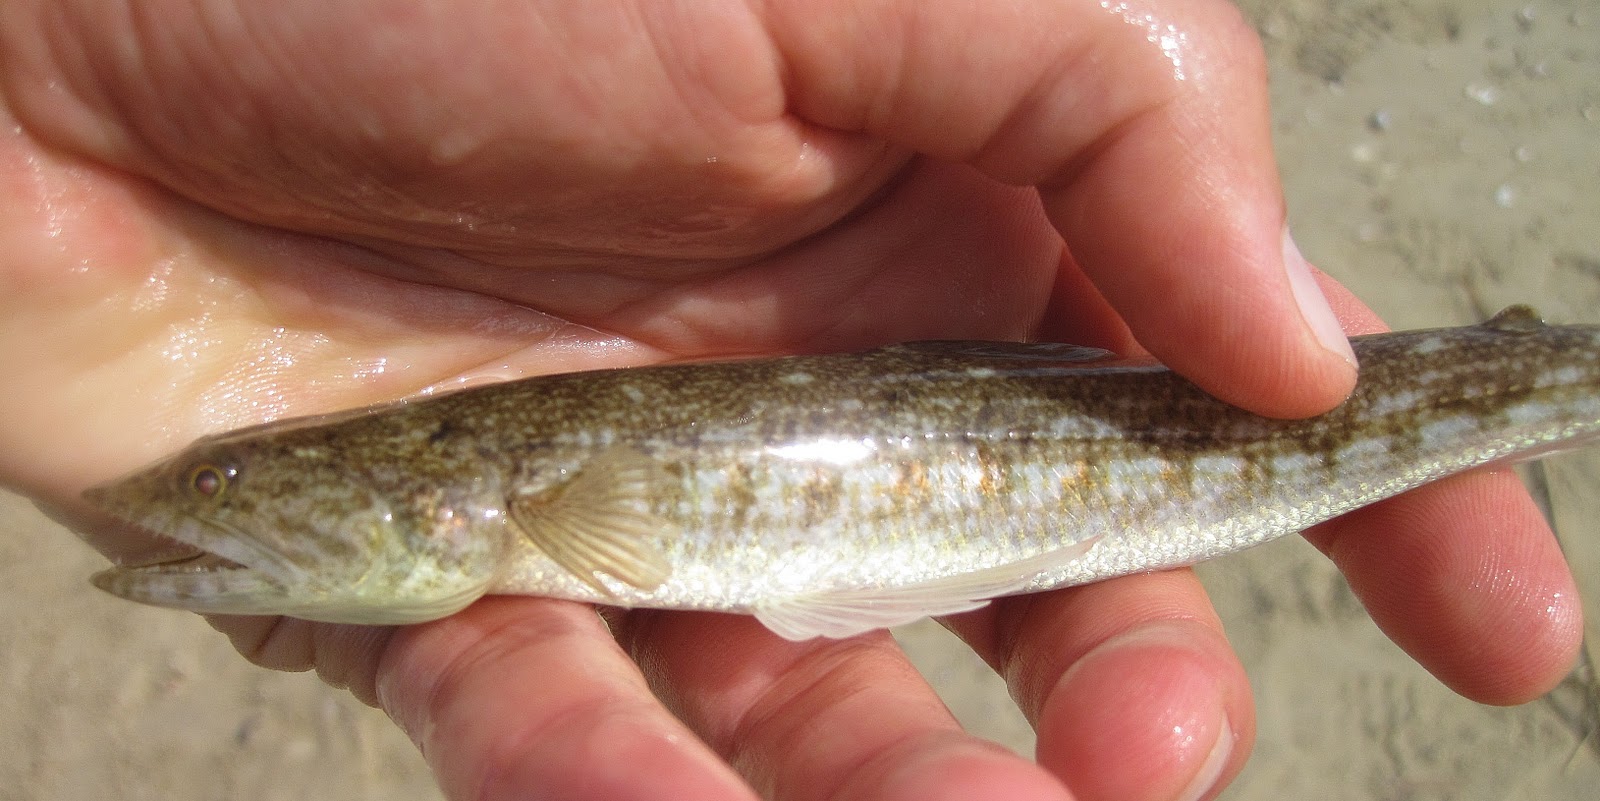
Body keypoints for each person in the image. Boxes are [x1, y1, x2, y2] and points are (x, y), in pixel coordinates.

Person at [0, 3, 1581, 800]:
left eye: (226, 493)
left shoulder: (513, 496)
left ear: (421, 496)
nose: (198, 507)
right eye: (223, 484)